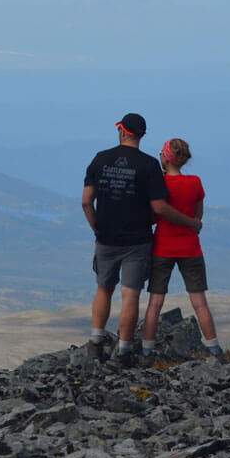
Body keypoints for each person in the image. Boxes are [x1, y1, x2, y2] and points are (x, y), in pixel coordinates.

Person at [82, 113, 202, 367]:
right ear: (141, 135)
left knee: (103, 288)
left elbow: (86, 202)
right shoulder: (148, 165)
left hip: (106, 238)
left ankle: (95, 344)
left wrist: (97, 229)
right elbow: (159, 207)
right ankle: (123, 352)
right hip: (137, 240)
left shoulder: (100, 159)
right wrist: (191, 223)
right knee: (130, 294)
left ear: (122, 131)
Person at [146, 136, 223, 361]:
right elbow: (198, 217)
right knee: (199, 302)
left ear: (166, 158)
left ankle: (147, 350)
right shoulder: (195, 182)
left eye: (161, 153)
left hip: (163, 247)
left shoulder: (160, 184)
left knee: (155, 302)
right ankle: (214, 349)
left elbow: (153, 216)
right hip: (191, 248)